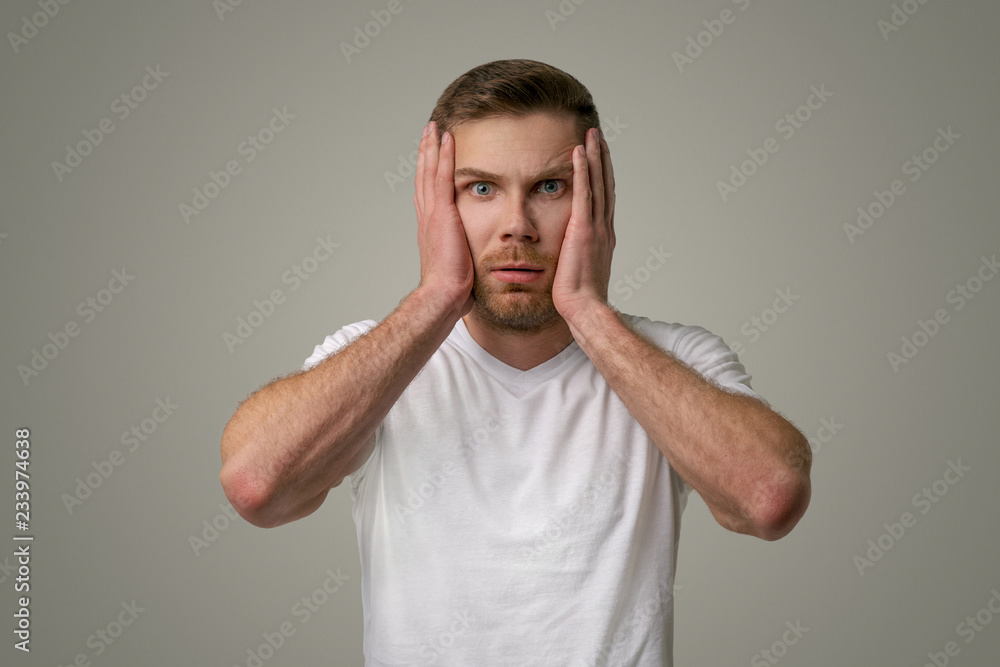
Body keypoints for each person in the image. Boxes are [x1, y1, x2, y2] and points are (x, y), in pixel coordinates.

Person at [219, 59, 812, 666]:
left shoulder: (675, 359)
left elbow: (768, 498)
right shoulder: (376, 361)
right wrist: (434, 298)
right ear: (434, 204)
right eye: (480, 188)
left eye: (550, 188)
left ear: (598, 199)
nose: (516, 227)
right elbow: (257, 488)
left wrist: (587, 311)